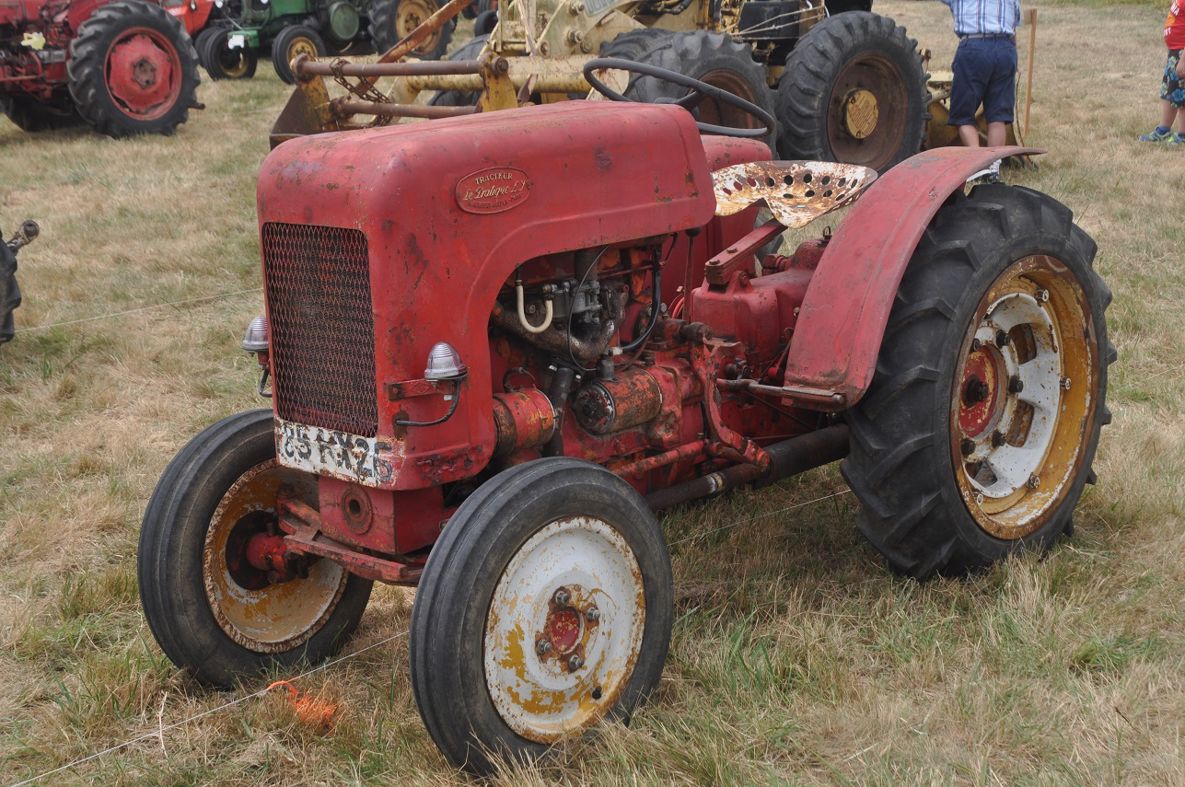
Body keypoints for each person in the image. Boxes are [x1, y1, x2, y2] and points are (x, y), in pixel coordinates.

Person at [941, 0, 1021, 182]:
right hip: (1005, 49)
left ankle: (976, 164)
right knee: (998, 115)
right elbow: (1014, 27)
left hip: (974, 47)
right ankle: (993, 168)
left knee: (963, 114)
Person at [1138, 1, 1185, 144]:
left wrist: (1183, 60)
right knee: (1168, 91)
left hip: (1182, 55)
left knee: (1182, 95)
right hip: (1176, 52)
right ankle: (1163, 130)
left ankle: (1183, 135)